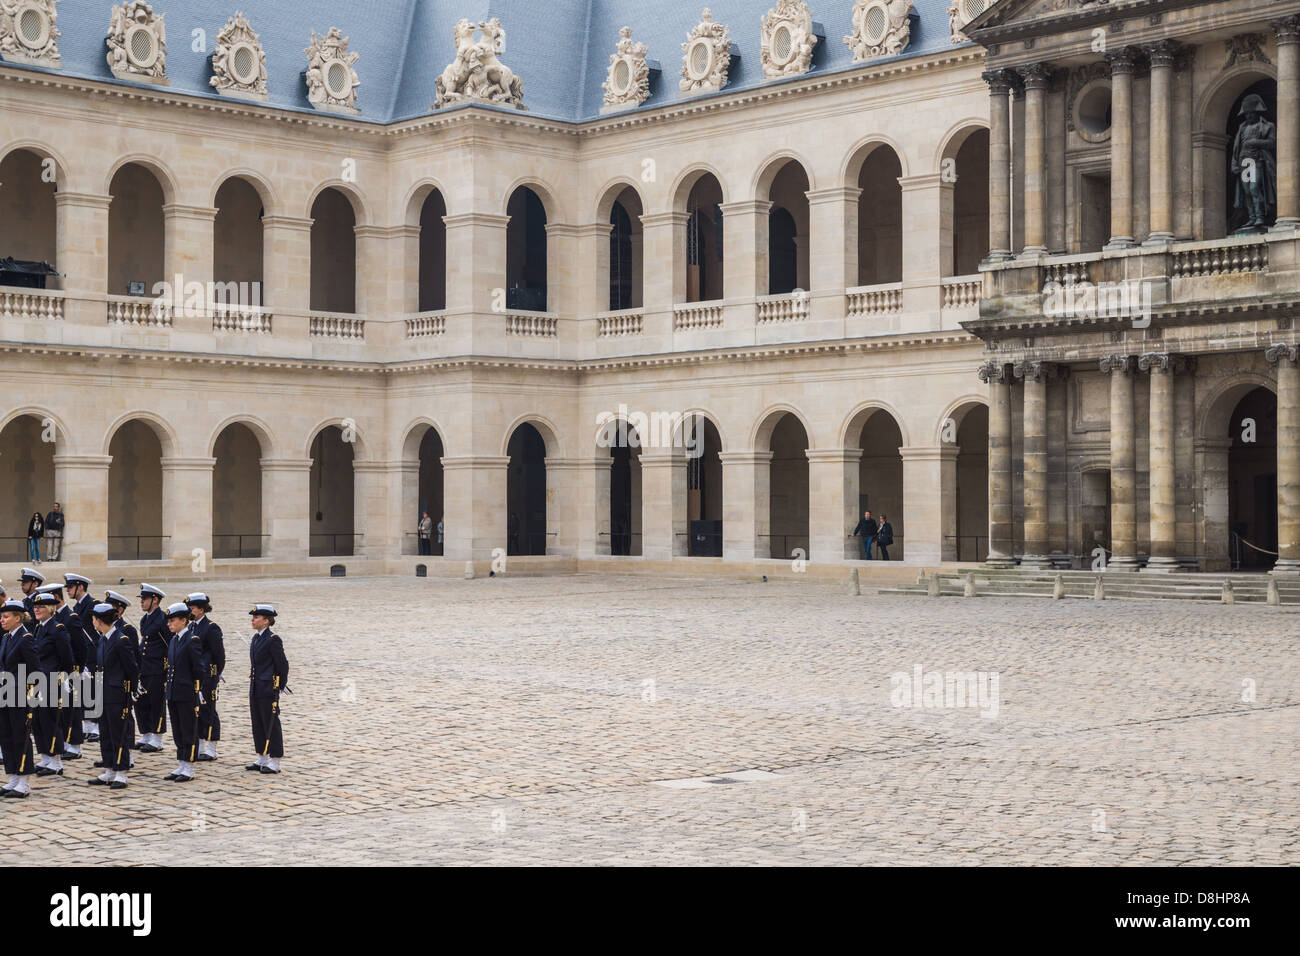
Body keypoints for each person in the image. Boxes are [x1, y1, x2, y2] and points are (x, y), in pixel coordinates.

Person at [87, 602, 136, 789]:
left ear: (99, 621)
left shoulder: (120, 640)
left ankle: (121, 772)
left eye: (93, 619)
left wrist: (128, 691)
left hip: (117, 694)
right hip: (103, 693)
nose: (92, 622)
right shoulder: (103, 639)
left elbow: (131, 668)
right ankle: (109, 769)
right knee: (106, 733)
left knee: (119, 733)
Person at [30, 590, 73, 778]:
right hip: (38, 681)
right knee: (38, 721)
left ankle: (56, 760)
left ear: (50, 608)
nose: (37, 609)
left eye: (40, 606)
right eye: (35, 606)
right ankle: (46, 756)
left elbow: (66, 657)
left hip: (51, 681)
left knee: (51, 720)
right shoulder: (39, 628)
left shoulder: (57, 628)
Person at [0, 598, 40, 797]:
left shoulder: (26, 638)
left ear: (18, 618)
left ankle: (24, 782)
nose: (2, 620)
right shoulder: (7, 638)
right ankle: (13, 777)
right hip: (5, 694)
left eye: (6, 616)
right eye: (2, 616)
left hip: (20, 696)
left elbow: (34, 670)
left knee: (20, 737)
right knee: (6, 737)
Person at [246, 604, 289, 775]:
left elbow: (282, 665)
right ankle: (262, 756)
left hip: (268, 687)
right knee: (258, 722)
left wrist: (279, 685)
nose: (252, 620)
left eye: (256, 617)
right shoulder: (256, 638)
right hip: (256, 686)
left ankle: (275, 760)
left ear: (266, 621)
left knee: (271, 723)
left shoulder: (273, 639)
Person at [162, 602, 201, 782]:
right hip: (173, 691)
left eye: (172, 621)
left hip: (186, 692)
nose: (169, 624)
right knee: (178, 730)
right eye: (168, 621)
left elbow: (198, 669)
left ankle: (189, 766)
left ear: (184, 620)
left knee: (188, 729)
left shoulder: (192, 640)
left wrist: (196, 691)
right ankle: (181, 763)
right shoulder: (174, 640)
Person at [187, 593, 224, 762]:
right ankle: (200, 745)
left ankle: (212, 748)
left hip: (208, 675)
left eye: (192, 608)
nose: (189, 611)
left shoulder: (211, 627)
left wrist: (214, 674)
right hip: (195, 675)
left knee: (208, 710)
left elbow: (219, 655)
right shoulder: (191, 627)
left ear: (201, 610)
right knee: (197, 711)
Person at [64, 573, 99, 743]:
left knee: (93, 688)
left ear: (81, 587)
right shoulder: (77, 608)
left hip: (93, 652)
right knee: (84, 689)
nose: (67, 590)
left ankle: (96, 725)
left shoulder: (93, 604)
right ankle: (88, 724)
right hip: (83, 652)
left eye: (70, 587)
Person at [135, 584, 168, 753]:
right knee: (142, 701)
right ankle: (146, 733)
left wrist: (167, 666)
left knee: (156, 702)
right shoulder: (145, 619)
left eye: (144, 599)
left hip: (157, 666)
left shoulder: (163, 619)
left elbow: (169, 643)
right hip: (145, 666)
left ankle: (157, 737)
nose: (141, 602)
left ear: (155, 600)